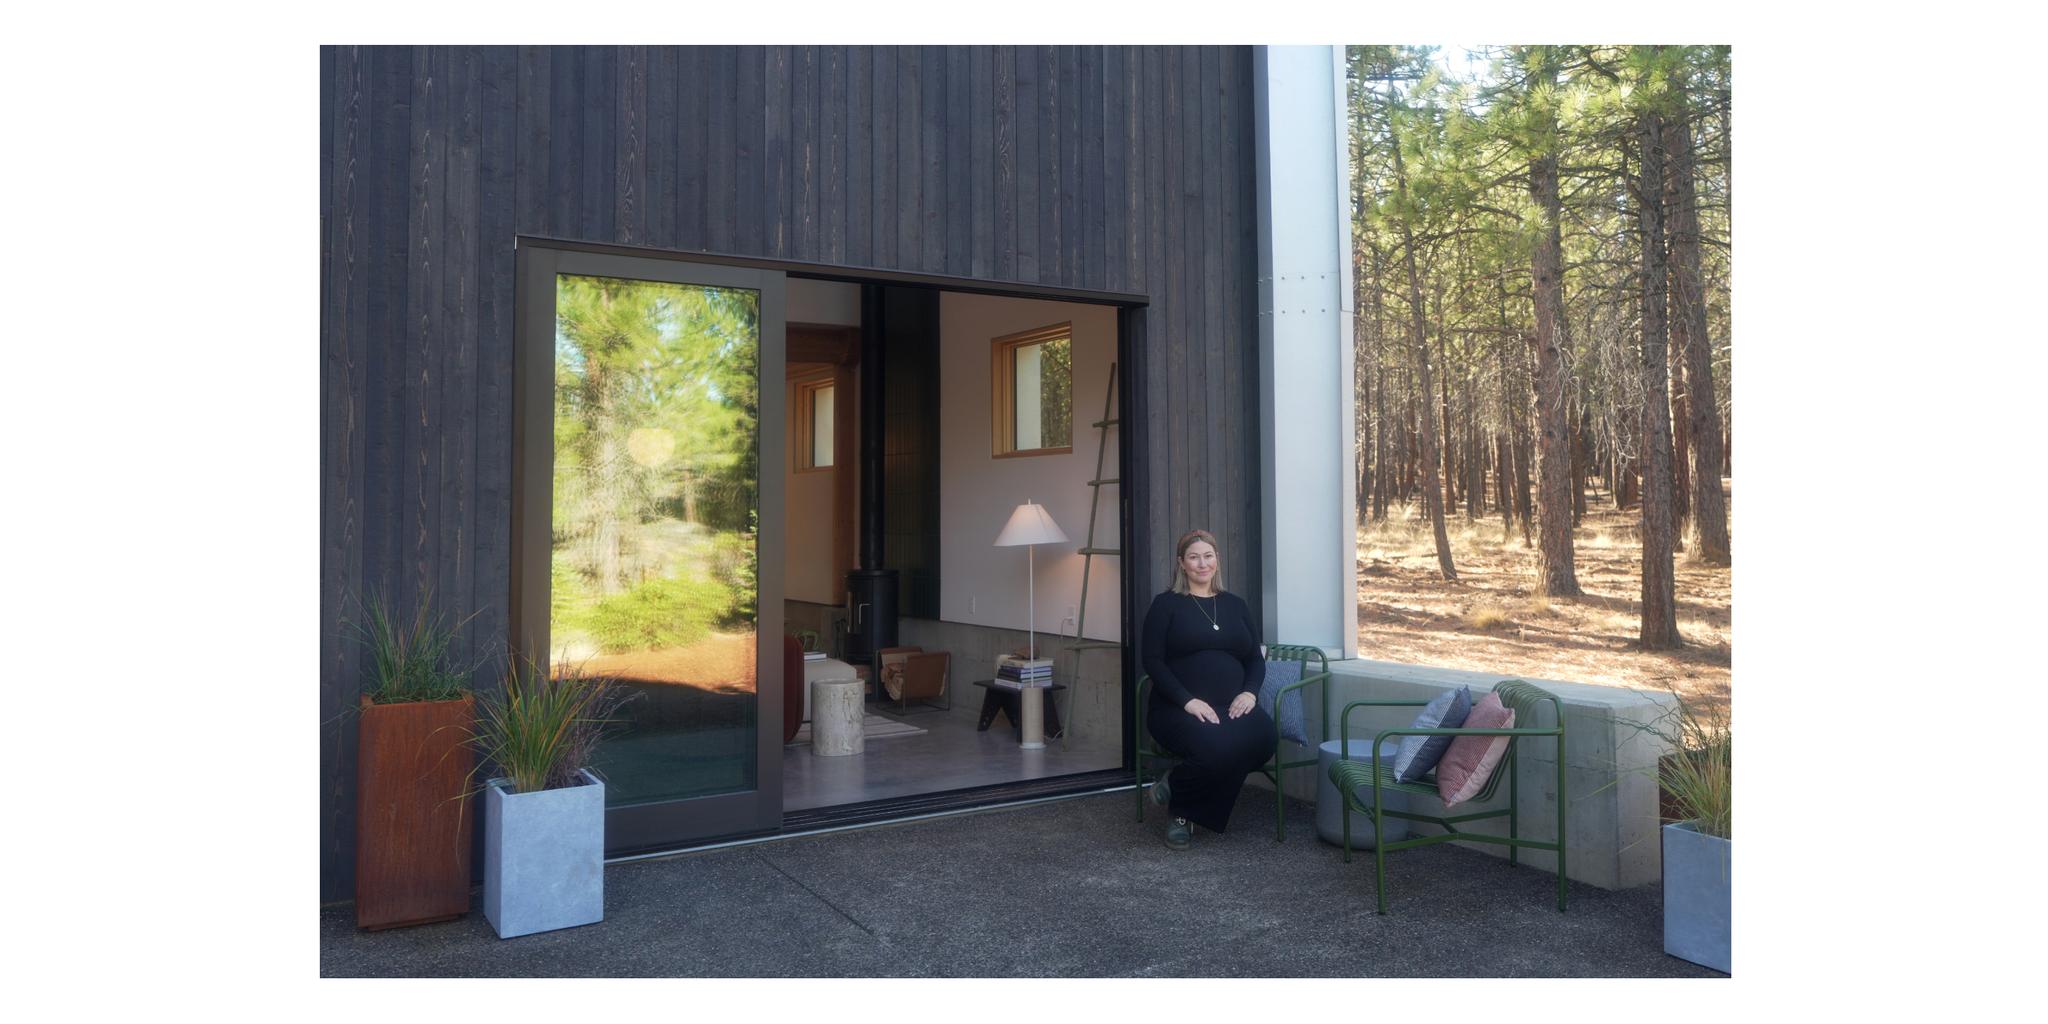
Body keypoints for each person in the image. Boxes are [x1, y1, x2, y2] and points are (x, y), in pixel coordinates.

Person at [1141, 528, 1276, 849]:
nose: (1202, 564)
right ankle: (1181, 816)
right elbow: (1153, 662)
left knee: (1262, 738)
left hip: (1233, 706)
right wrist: (1188, 701)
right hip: (1177, 709)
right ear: (1181, 564)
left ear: (1217, 560)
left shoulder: (1235, 605)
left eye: (1208, 556)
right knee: (1215, 747)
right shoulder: (1166, 605)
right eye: (1194, 557)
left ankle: (1174, 783)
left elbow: (1254, 660)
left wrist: (1250, 693)